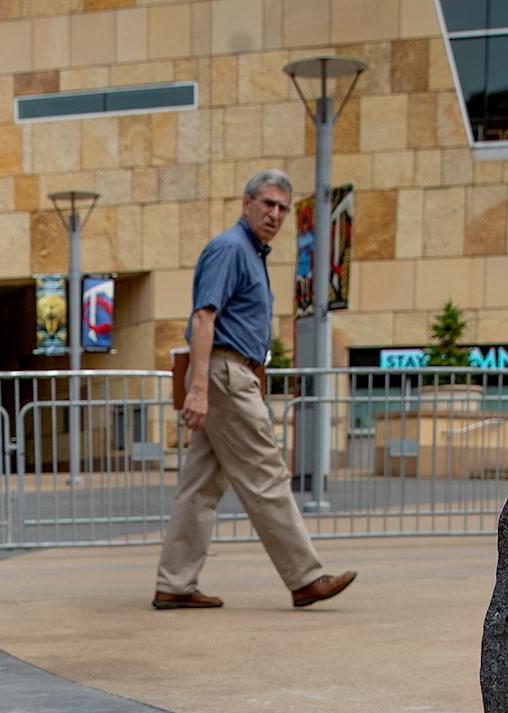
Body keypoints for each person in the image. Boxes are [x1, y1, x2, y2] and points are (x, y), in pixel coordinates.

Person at [152, 169, 356, 612]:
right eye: (268, 203)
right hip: (224, 374)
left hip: (230, 373)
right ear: (246, 204)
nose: (276, 214)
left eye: (282, 207)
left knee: (200, 485)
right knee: (266, 474)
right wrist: (201, 390)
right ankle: (305, 577)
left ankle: (175, 582)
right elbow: (204, 319)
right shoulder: (230, 249)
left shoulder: (248, 253)